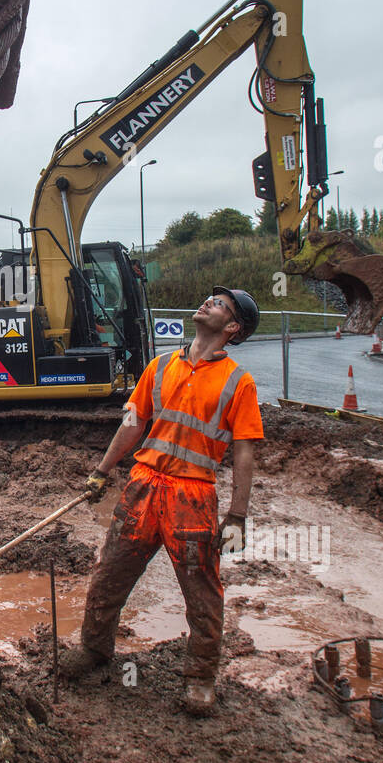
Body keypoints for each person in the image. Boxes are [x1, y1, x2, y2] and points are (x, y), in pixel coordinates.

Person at [60, 286, 263, 715]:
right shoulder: (161, 365)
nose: (208, 302)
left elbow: (244, 452)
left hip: (192, 497)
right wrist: (101, 470)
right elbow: (133, 425)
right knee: (109, 573)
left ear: (232, 327)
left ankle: (200, 679)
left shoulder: (238, 383)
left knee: (201, 592)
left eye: (220, 304)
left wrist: (238, 516)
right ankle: (95, 650)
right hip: (143, 487)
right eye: (211, 298)